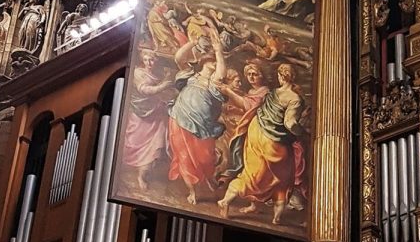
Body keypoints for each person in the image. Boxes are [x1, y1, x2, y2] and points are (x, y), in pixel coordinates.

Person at [218, 63, 305, 224]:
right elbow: (290, 123)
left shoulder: (272, 92)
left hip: (255, 130)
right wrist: (303, 133)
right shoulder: (295, 99)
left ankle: (254, 205)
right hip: (271, 140)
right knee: (280, 177)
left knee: (256, 171)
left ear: (281, 77)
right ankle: (226, 202)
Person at [167, 28, 226, 204]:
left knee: (206, 157)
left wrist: (218, 51)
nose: (214, 64)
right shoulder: (191, 75)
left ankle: (208, 177)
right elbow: (179, 58)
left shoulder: (213, 82)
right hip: (180, 118)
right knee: (184, 155)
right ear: (204, 62)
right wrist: (192, 42)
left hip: (204, 125)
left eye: (215, 62)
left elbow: (222, 73)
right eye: (212, 61)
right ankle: (192, 191)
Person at [122, 49, 173, 191]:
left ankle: (142, 175)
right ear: (142, 60)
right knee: (137, 143)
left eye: (152, 60)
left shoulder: (158, 73)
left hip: (156, 114)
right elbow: (144, 90)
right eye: (146, 60)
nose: (149, 63)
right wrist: (163, 85)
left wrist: (166, 81)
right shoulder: (138, 73)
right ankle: (140, 176)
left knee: (155, 144)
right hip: (141, 113)